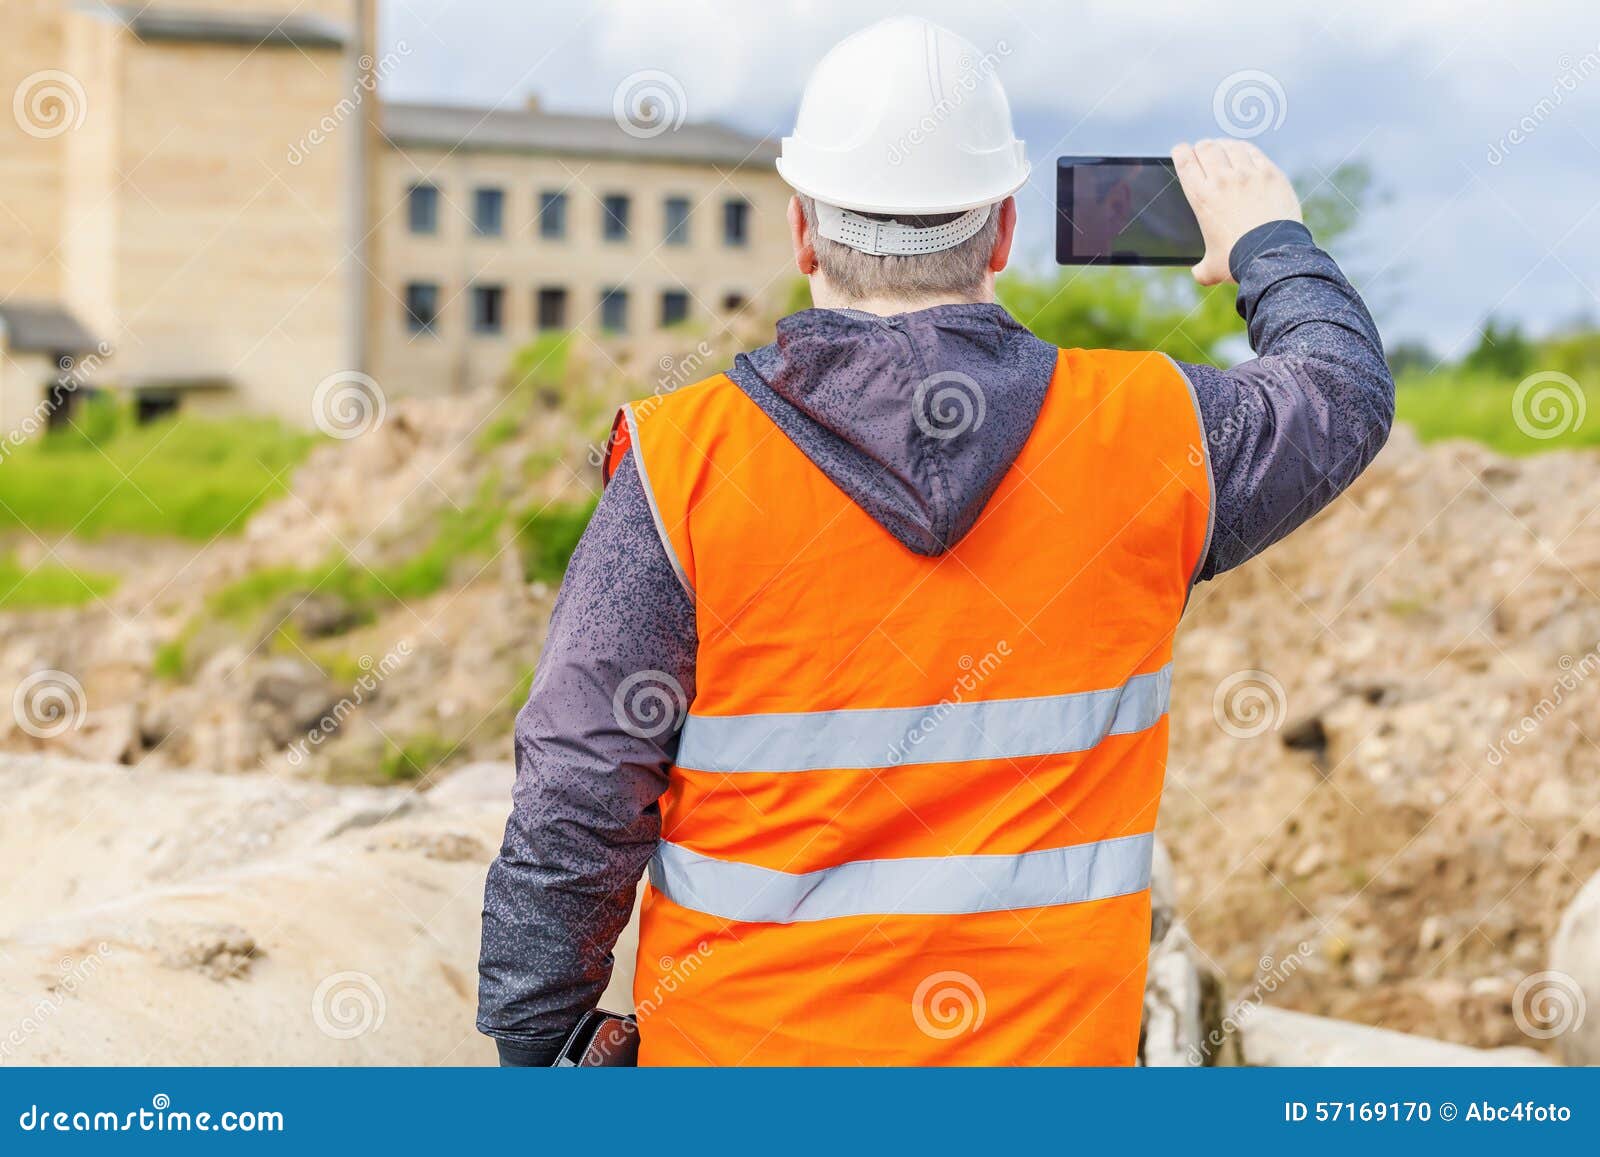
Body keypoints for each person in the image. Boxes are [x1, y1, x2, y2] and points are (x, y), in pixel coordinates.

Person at [478, 15, 1393, 1066]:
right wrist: (1267, 241)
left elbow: (577, 787)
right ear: (1003, 234)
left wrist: (536, 1040)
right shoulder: (1149, 434)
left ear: (801, 232)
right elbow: (1341, 391)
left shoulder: (685, 463)